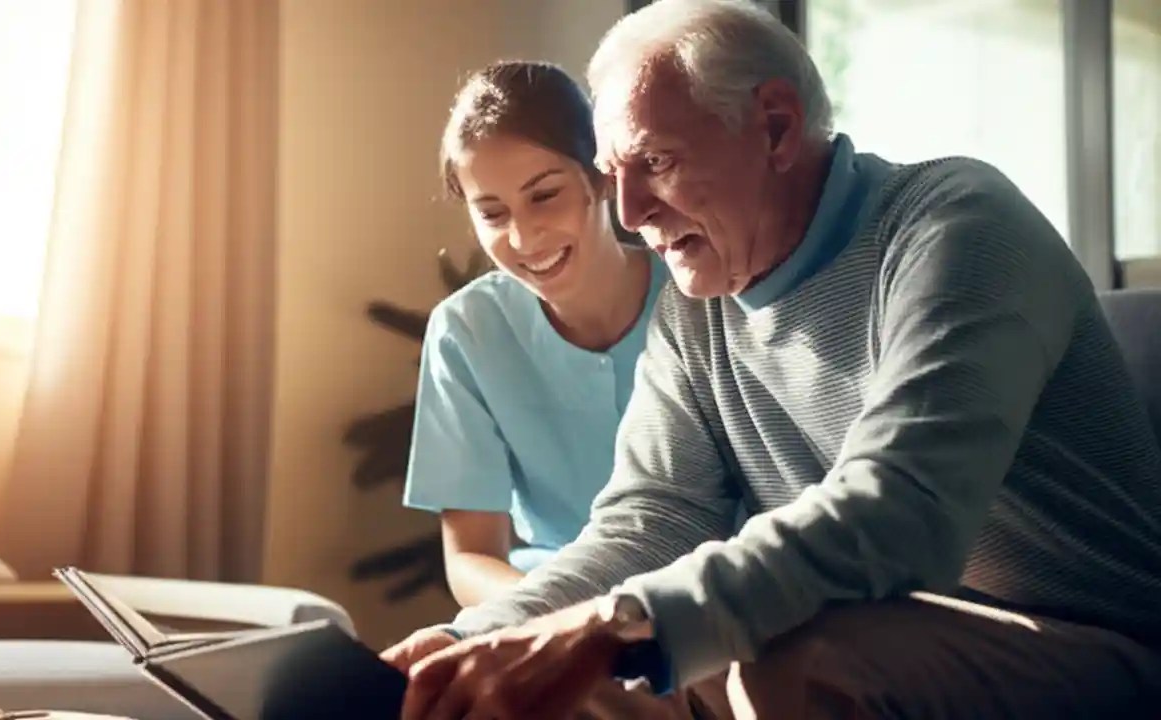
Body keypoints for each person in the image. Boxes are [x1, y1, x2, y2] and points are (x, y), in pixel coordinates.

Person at [383, 1, 1161, 717]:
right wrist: (477, 641)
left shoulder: (956, 227)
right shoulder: (699, 303)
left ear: (778, 128)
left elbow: (903, 513)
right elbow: (652, 518)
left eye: (654, 162)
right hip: (880, 632)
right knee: (542, 691)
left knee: (789, 661)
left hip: (1085, 643)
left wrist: (615, 624)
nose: (628, 214)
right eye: (615, 176)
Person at [404, 60, 668, 609]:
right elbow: (471, 558)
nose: (523, 238)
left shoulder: (700, 297)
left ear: (600, 176)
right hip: (548, 596)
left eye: (544, 196)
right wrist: (565, 617)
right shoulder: (466, 332)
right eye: (492, 213)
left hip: (711, 603)